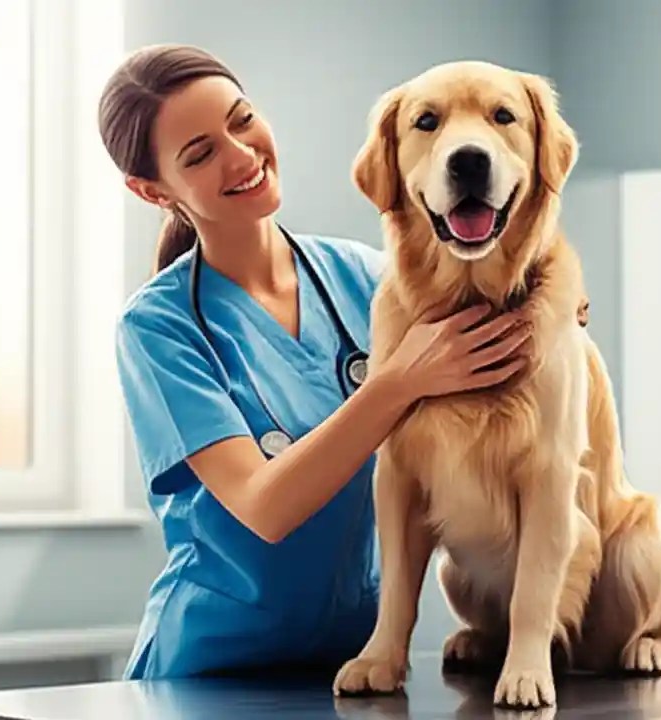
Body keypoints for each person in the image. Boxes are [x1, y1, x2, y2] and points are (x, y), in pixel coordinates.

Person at [97, 44, 533, 680]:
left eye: (241, 120)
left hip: (345, 667)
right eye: (200, 153)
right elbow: (264, 506)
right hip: (209, 676)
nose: (242, 155)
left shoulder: (366, 277)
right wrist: (398, 383)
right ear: (149, 190)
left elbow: (502, 288)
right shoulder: (159, 328)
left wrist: (556, 292)